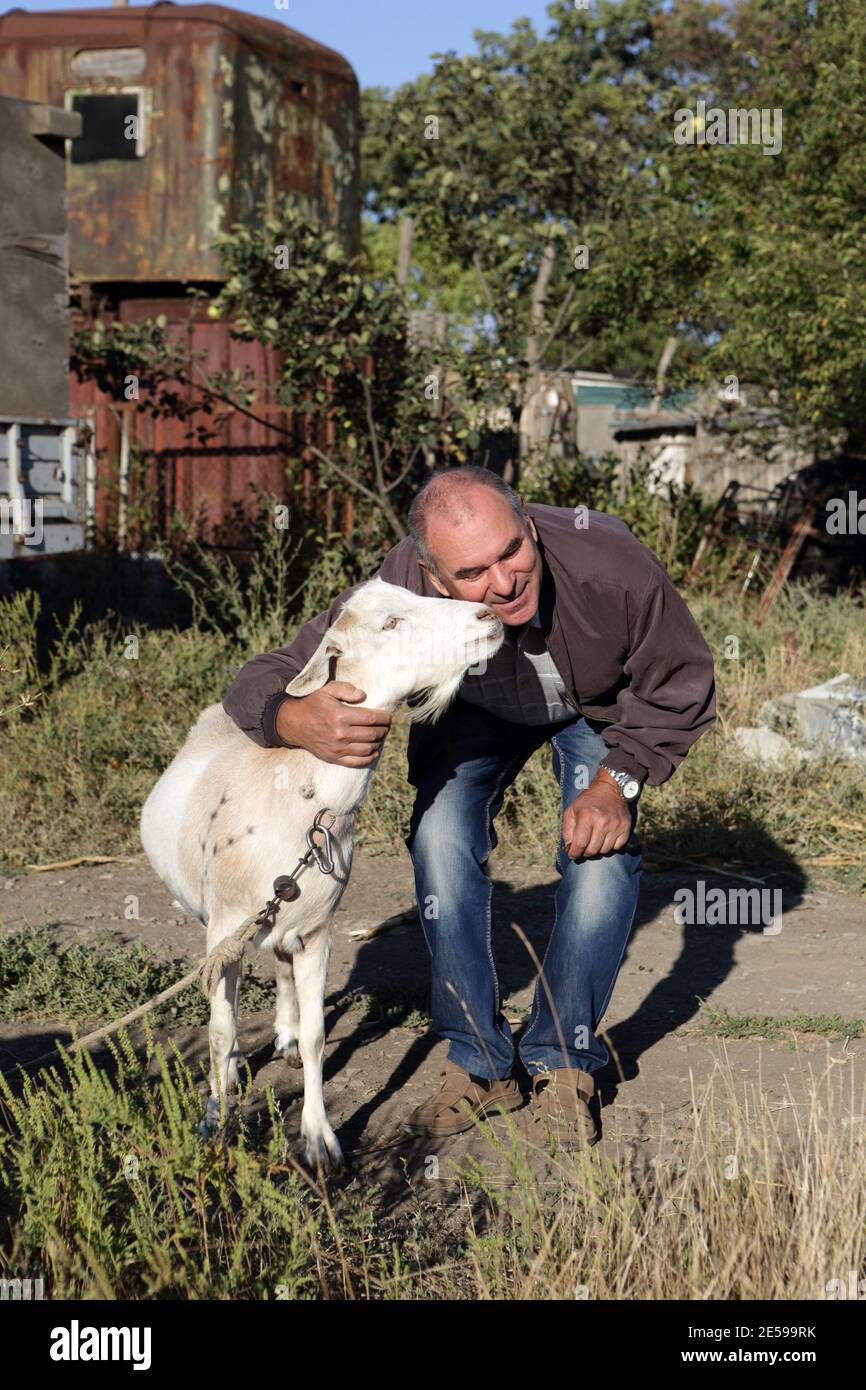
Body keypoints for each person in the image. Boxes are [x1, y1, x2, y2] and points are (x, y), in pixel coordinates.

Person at [222, 466, 716, 1148]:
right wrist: (290, 716)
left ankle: (565, 1062)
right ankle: (480, 1065)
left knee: (601, 857)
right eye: (472, 573)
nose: (504, 582)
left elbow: (681, 681)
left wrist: (619, 782)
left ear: (531, 527)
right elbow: (271, 673)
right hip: (478, 713)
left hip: (593, 710)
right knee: (439, 836)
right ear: (429, 573)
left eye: (512, 552)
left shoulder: (611, 562)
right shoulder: (398, 584)